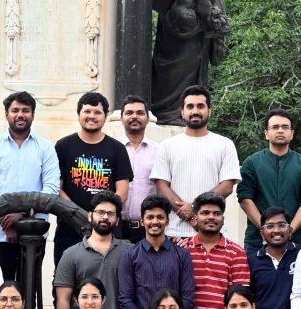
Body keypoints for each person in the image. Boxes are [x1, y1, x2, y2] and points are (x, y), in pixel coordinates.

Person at [0, 90, 61, 286]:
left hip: (35, 232)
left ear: (33, 114)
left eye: (26, 110)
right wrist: (6, 222)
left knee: (29, 293)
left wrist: (23, 214)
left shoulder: (46, 148)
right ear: (6, 114)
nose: (20, 114)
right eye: (15, 110)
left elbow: (51, 188)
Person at [150, 85, 239, 238]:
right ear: (182, 112)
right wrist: (191, 216)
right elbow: (161, 186)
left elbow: (227, 186)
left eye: (201, 106)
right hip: (175, 233)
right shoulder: (167, 145)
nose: (195, 111)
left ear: (209, 111)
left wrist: (194, 206)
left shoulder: (225, 144)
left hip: (213, 233)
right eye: (190, 106)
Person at [53, 91, 130, 261]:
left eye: (97, 112)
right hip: (69, 228)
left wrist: (101, 214)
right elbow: (56, 188)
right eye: (87, 111)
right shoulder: (63, 146)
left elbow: (123, 192)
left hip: (107, 228)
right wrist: (79, 214)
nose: (92, 116)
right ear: (79, 114)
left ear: (106, 116)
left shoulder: (117, 148)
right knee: (66, 281)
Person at [237, 109, 301, 251]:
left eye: (285, 127)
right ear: (266, 134)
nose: (280, 131)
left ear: (292, 133)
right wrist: (266, 229)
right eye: (275, 127)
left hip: (296, 240)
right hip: (257, 240)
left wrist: (289, 230)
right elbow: (245, 198)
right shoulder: (252, 163)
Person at [118, 195, 195, 309]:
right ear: (142, 221)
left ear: (167, 221)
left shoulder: (182, 255)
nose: (155, 221)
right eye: (150, 217)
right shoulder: (130, 256)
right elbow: (126, 300)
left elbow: (188, 298)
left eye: (160, 217)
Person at [54, 192, 125, 309]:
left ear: (117, 220)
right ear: (89, 215)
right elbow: (63, 300)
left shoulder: (129, 252)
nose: (105, 217)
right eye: (100, 212)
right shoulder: (70, 254)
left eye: (110, 214)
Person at [181, 192, 245, 309]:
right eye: (205, 213)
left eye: (217, 213)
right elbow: (180, 291)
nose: (211, 217)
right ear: (195, 218)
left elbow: (239, 296)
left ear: (223, 219)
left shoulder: (237, 252)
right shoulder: (183, 250)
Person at [116, 95, 158, 242]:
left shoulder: (158, 151)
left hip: (149, 230)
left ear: (147, 117)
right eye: (129, 113)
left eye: (140, 113)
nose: (134, 116)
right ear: (121, 118)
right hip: (116, 229)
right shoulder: (112, 149)